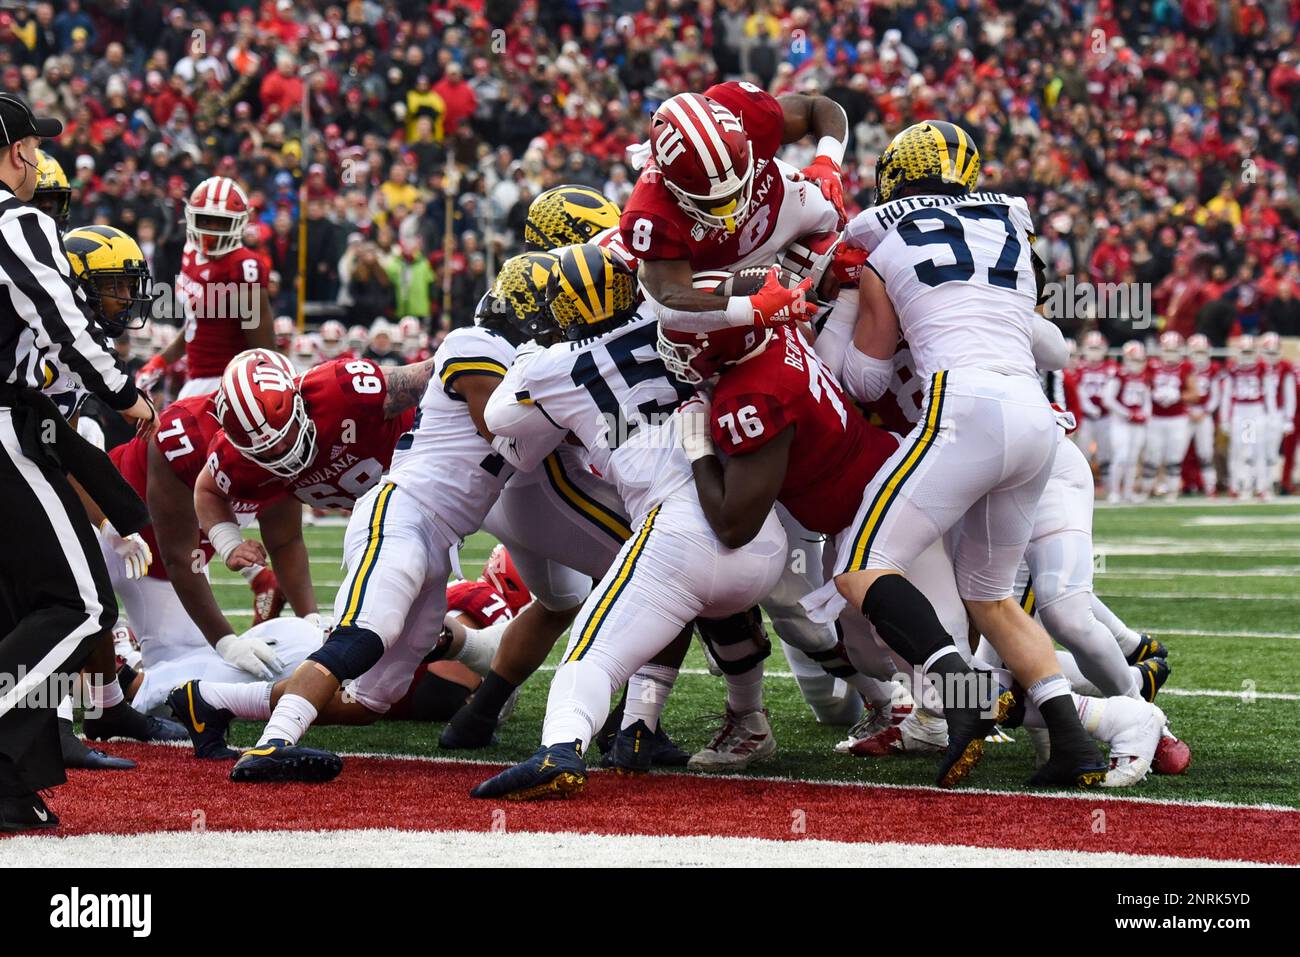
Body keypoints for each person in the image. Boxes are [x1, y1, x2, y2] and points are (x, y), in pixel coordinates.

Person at [0, 93, 157, 831]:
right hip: (4, 422)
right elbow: (60, 316)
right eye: (29, 145)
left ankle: (9, 777)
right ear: (15, 150)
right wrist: (124, 393)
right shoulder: (16, 220)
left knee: (18, 604)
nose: (34, 159)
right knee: (81, 603)